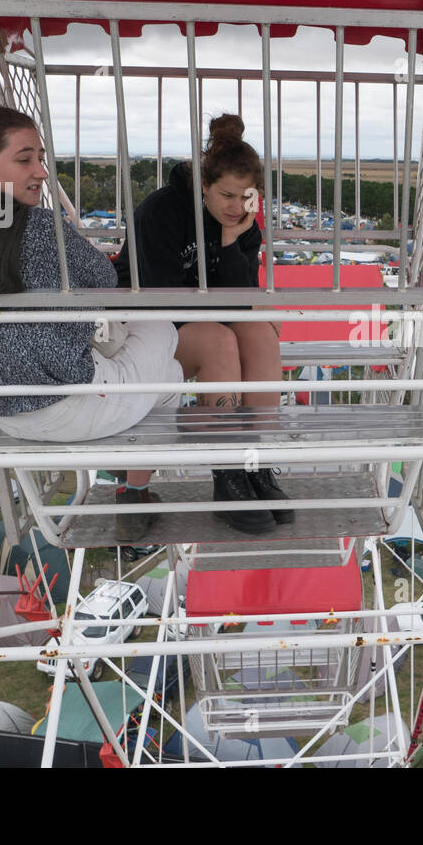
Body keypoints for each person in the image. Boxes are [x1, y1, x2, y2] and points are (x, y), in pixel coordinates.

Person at [0, 106, 183, 543]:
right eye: (24, 160)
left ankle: (134, 484)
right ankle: (136, 490)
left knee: (163, 375)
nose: (40, 172)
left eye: (40, 158)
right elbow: (102, 277)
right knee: (163, 333)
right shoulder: (37, 225)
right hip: (67, 406)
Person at [113, 114, 286, 535]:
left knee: (261, 334)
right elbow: (157, 299)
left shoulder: (243, 223)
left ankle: (253, 466)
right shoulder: (161, 212)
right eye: (225, 195)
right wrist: (217, 318)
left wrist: (231, 244)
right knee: (219, 341)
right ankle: (227, 477)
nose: (234, 206)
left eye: (246, 197)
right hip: (144, 326)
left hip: (201, 322)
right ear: (203, 186)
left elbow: (240, 302)